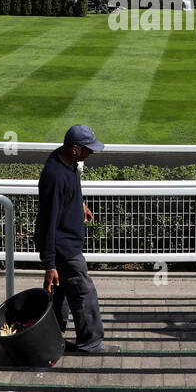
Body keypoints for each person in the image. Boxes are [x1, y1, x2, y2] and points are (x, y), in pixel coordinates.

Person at [36, 124, 117, 354]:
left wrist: (78, 204)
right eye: (87, 149)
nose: (91, 152)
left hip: (63, 244)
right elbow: (48, 221)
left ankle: (53, 339)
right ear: (74, 148)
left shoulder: (66, 161)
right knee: (84, 292)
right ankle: (91, 343)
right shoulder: (55, 174)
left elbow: (65, 195)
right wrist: (50, 264)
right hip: (64, 248)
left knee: (60, 293)